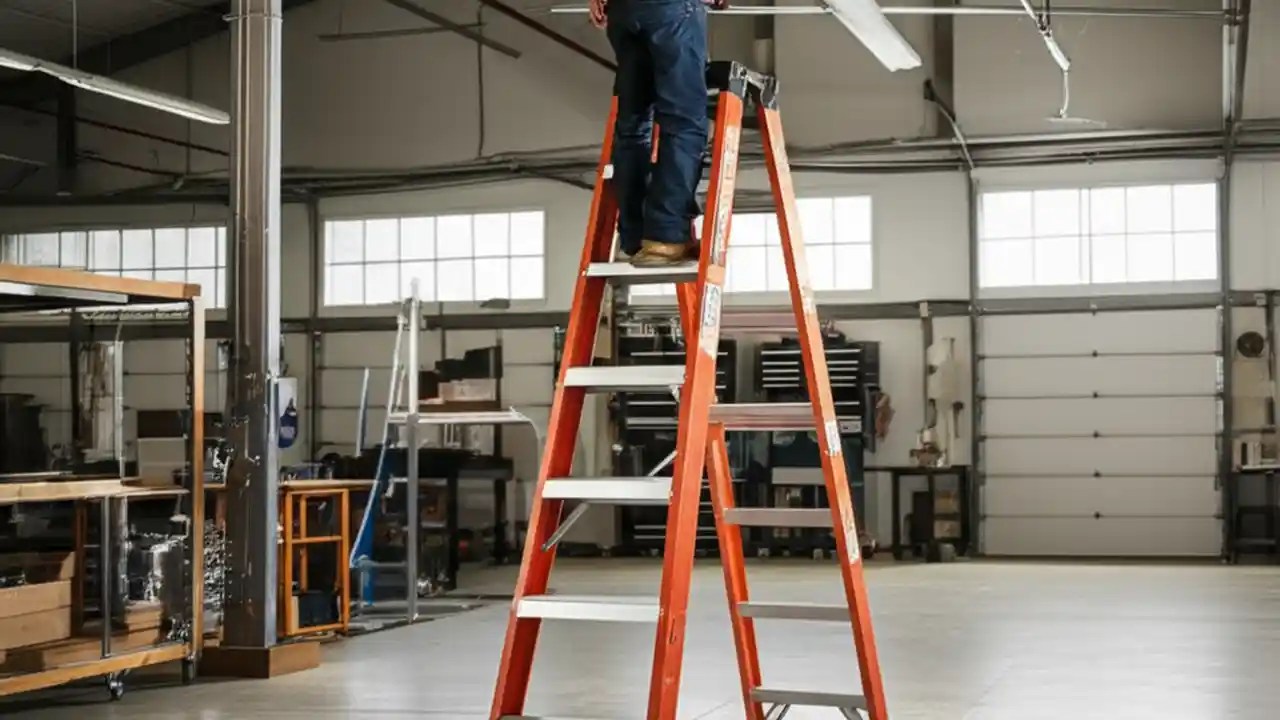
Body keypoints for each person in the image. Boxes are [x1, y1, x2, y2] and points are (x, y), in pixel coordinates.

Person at [589, 0, 729, 267]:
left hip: (622, 12)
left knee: (633, 128)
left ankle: (635, 236)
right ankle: (665, 236)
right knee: (683, 122)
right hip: (672, 10)